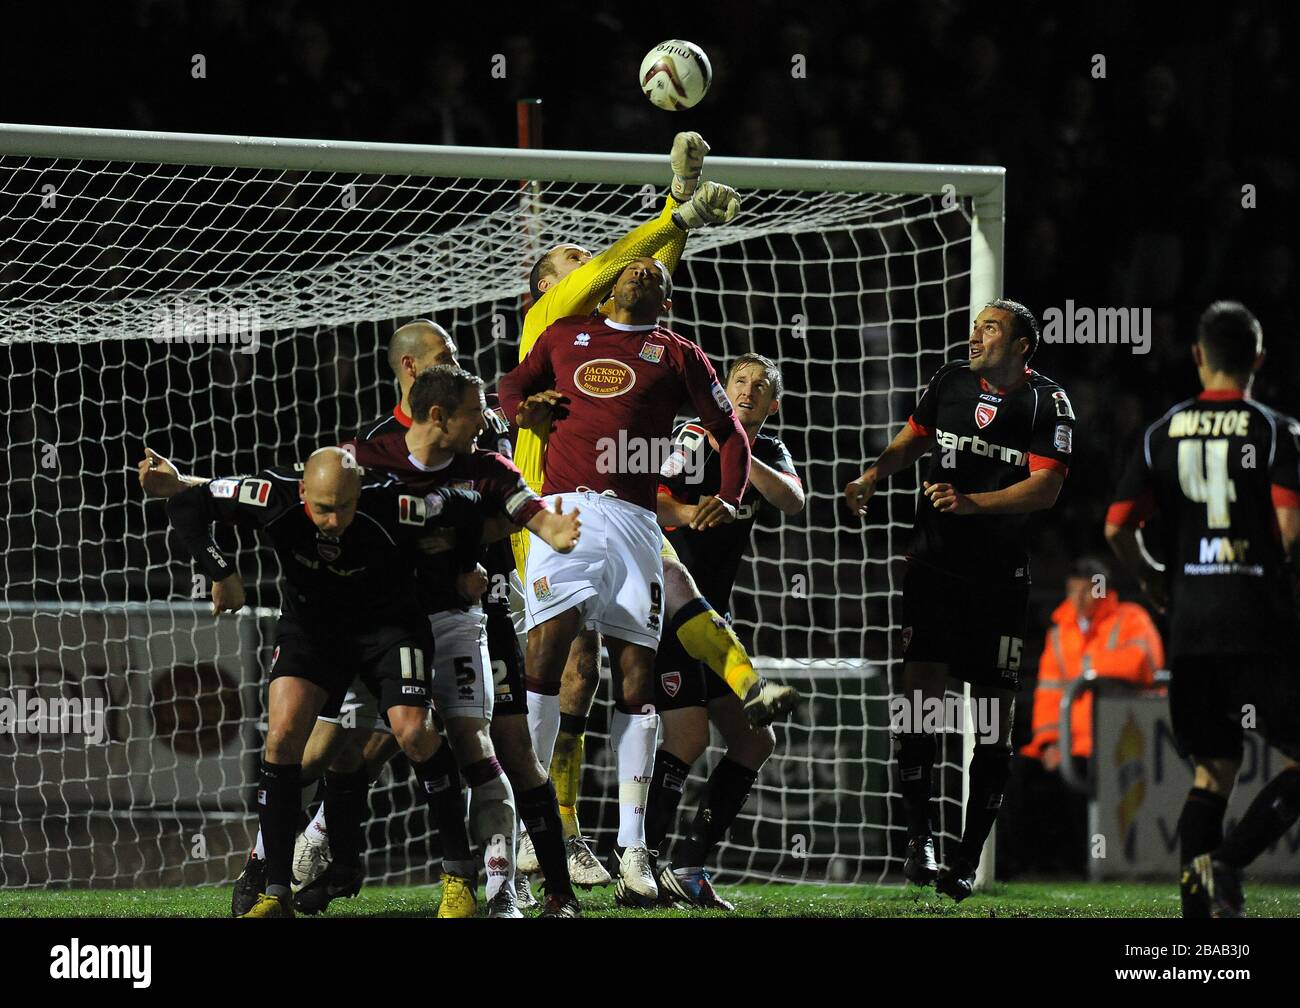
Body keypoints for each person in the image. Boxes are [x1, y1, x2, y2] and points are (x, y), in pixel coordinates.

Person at [498, 256, 753, 905]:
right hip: (564, 513)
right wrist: (526, 412)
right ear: (607, 286)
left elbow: (731, 433)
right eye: (630, 267)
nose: (642, 272)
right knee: (549, 660)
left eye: (656, 272)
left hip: (638, 523)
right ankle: (530, 831)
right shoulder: (560, 335)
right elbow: (508, 394)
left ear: (666, 299)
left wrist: (729, 492)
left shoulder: (678, 352)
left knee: (635, 676)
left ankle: (634, 849)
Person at [163, 447, 484, 917]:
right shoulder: (270, 494)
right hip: (313, 631)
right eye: (322, 508)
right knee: (283, 737)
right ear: (302, 492)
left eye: (344, 507)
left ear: (360, 494)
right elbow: (185, 503)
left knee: (413, 733)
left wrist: (465, 565)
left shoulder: (392, 503)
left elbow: (468, 504)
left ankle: (460, 877)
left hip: (390, 630)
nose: (333, 521)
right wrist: (221, 572)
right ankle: (275, 892)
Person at [844, 299, 1074, 901]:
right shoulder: (948, 380)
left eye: (991, 328)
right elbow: (914, 438)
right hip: (933, 566)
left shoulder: (1047, 402)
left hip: (998, 579)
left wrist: (973, 505)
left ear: (1023, 344)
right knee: (919, 702)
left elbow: (1047, 487)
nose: (976, 336)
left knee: (992, 721)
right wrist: (874, 474)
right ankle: (920, 836)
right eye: (975, 326)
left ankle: (967, 859)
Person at [1105, 300, 1300, 917]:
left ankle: (1199, 934)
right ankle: (1228, 863)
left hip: (1189, 626)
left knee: (1212, 772)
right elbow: (1290, 530)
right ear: (1258, 361)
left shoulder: (1163, 430)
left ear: (1198, 357)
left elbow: (1115, 527)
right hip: (1257, 624)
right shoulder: (1274, 429)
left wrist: (1154, 579)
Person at [642, 353, 805, 910]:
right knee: (687, 739)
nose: (749, 390)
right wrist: (689, 515)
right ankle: (642, 865)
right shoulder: (689, 436)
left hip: (717, 613)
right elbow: (649, 498)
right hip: (669, 607)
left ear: (773, 404)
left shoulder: (769, 451)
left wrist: (743, 451)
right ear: (721, 386)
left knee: (756, 740)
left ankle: (687, 863)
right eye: (739, 381)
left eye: (761, 387)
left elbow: (793, 499)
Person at [1010, 555, 1163, 875]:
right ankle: (1022, 865)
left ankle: (1087, 865)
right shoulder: (1059, 631)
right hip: (1068, 743)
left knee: (1085, 788)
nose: (1078, 599)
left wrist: (1089, 667)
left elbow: (1141, 663)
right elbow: (1048, 695)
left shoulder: (1131, 618)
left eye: (1087, 591)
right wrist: (1048, 744)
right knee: (1015, 773)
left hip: (1119, 742)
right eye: (1072, 591)